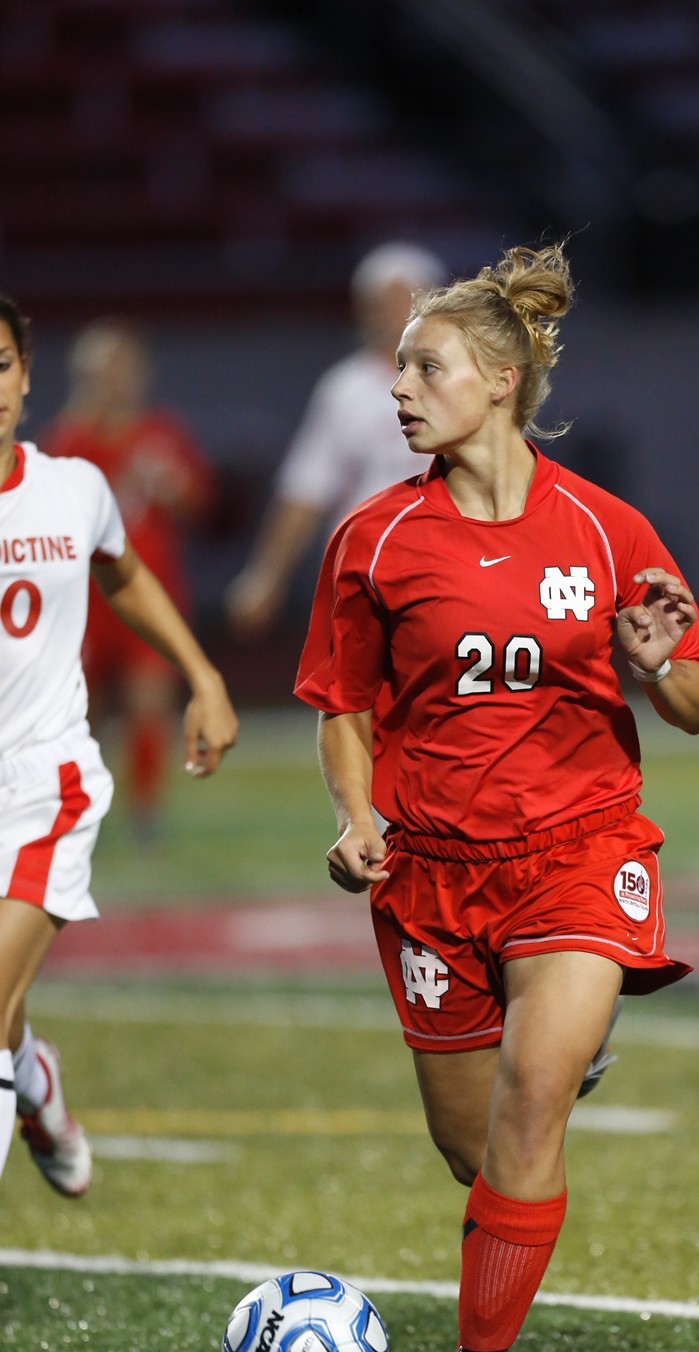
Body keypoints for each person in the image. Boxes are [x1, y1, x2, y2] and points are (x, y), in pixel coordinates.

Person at [294, 243, 699, 1352]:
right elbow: (342, 706)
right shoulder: (373, 541)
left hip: (581, 847)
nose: (398, 389)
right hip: (429, 873)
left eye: (422, 366)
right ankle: (551, 1057)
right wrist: (356, 814)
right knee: (468, 1146)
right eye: (398, 368)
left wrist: (657, 667)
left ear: (495, 376)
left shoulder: (605, 527)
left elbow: (691, 700)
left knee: (532, 1102)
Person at [0, 293, 238, 1198]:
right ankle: (37, 1081)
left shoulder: (71, 486)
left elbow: (126, 569)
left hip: (39, 788)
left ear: (24, 375)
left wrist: (206, 678)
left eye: (1, 365)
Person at [40, 317, 216, 839]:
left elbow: (200, 507)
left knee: (148, 703)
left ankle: (144, 814)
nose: (113, 381)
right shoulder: (68, 439)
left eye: (121, 369)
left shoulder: (162, 435)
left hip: (150, 595)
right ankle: (68, 811)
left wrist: (172, 486)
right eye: (102, 371)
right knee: (76, 714)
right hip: (84, 600)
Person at [225, 241, 447, 640]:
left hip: (451, 564)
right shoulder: (346, 388)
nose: (395, 314)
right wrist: (267, 575)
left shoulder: (465, 380)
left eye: (407, 300)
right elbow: (306, 489)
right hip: (367, 569)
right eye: (383, 302)